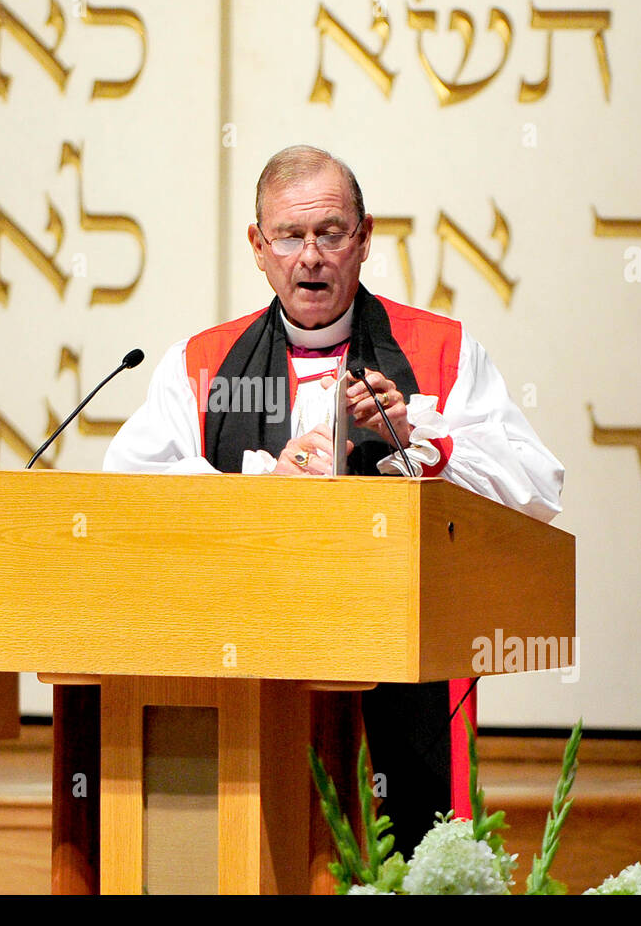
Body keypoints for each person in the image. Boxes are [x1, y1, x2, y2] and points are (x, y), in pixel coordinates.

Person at [104, 145, 563, 853]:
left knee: (407, 853)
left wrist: (426, 442)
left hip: (402, 667)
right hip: (252, 673)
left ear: (365, 237)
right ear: (258, 247)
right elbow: (130, 492)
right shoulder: (201, 364)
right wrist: (261, 492)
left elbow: (538, 490)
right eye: (289, 236)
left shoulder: (439, 348)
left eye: (330, 233)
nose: (310, 256)